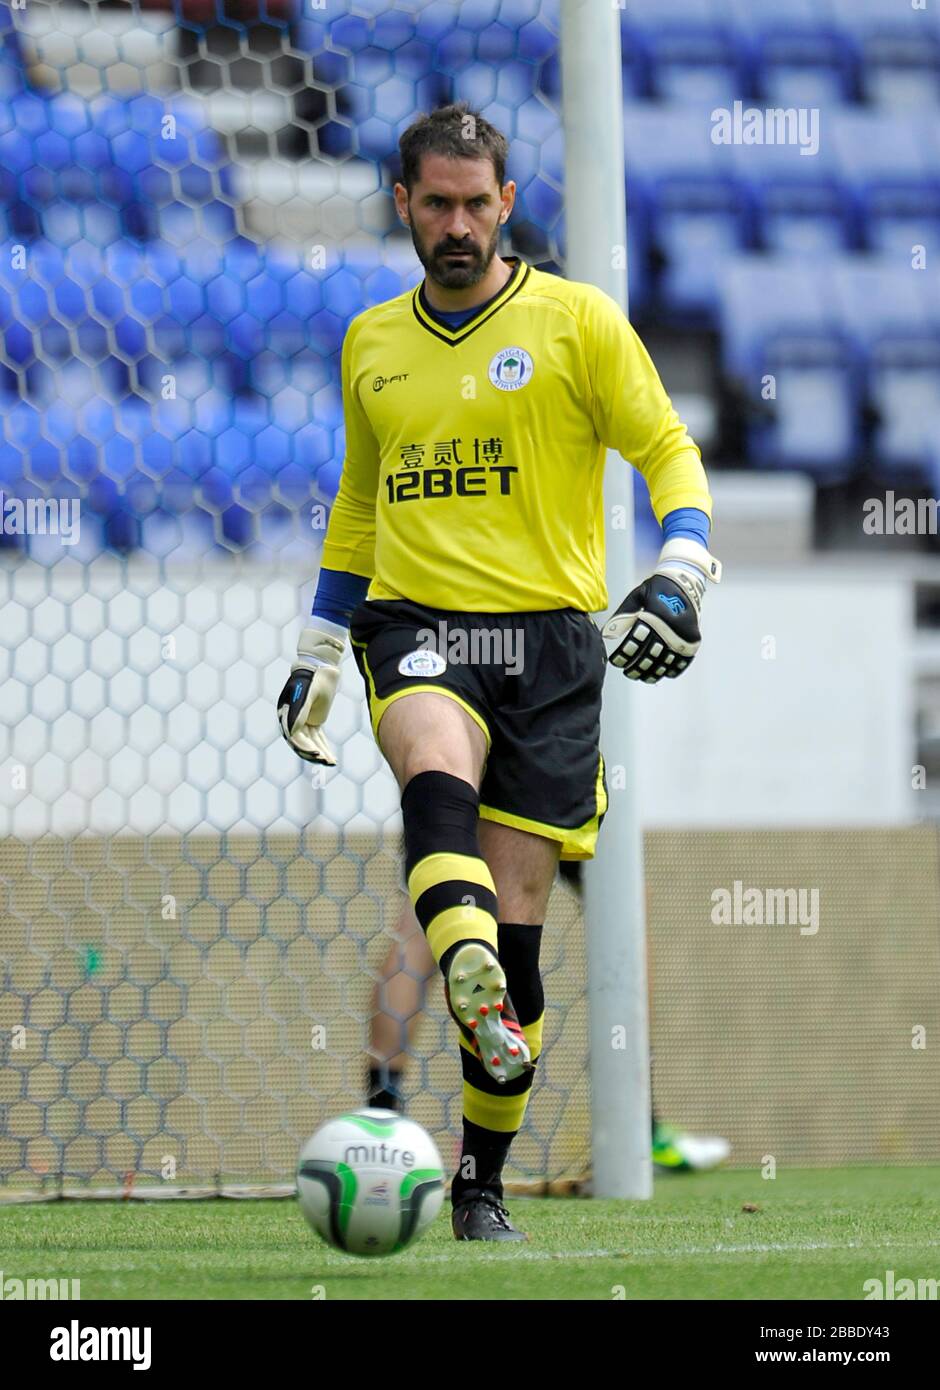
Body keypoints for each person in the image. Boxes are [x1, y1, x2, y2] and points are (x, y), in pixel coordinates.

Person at [278, 102, 721, 1241]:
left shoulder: (578, 324)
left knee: (517, 944)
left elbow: (667, 449)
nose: (459, 225)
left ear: (508, 204)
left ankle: (478, 1186)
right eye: (437, 204)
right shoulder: (370, 342)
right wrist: (322, 645)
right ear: (404, 205)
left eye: (478, 203)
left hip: (553, 648)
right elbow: (360, 504)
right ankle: (461, 956)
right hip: (419, 623)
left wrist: (680, 569)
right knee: (431, 759)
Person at [365, 871, 732, 1177]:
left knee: (426, 913)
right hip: (547, 787)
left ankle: (379, 1135)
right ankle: (639, 1132)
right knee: (622, 893)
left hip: (459, 787)